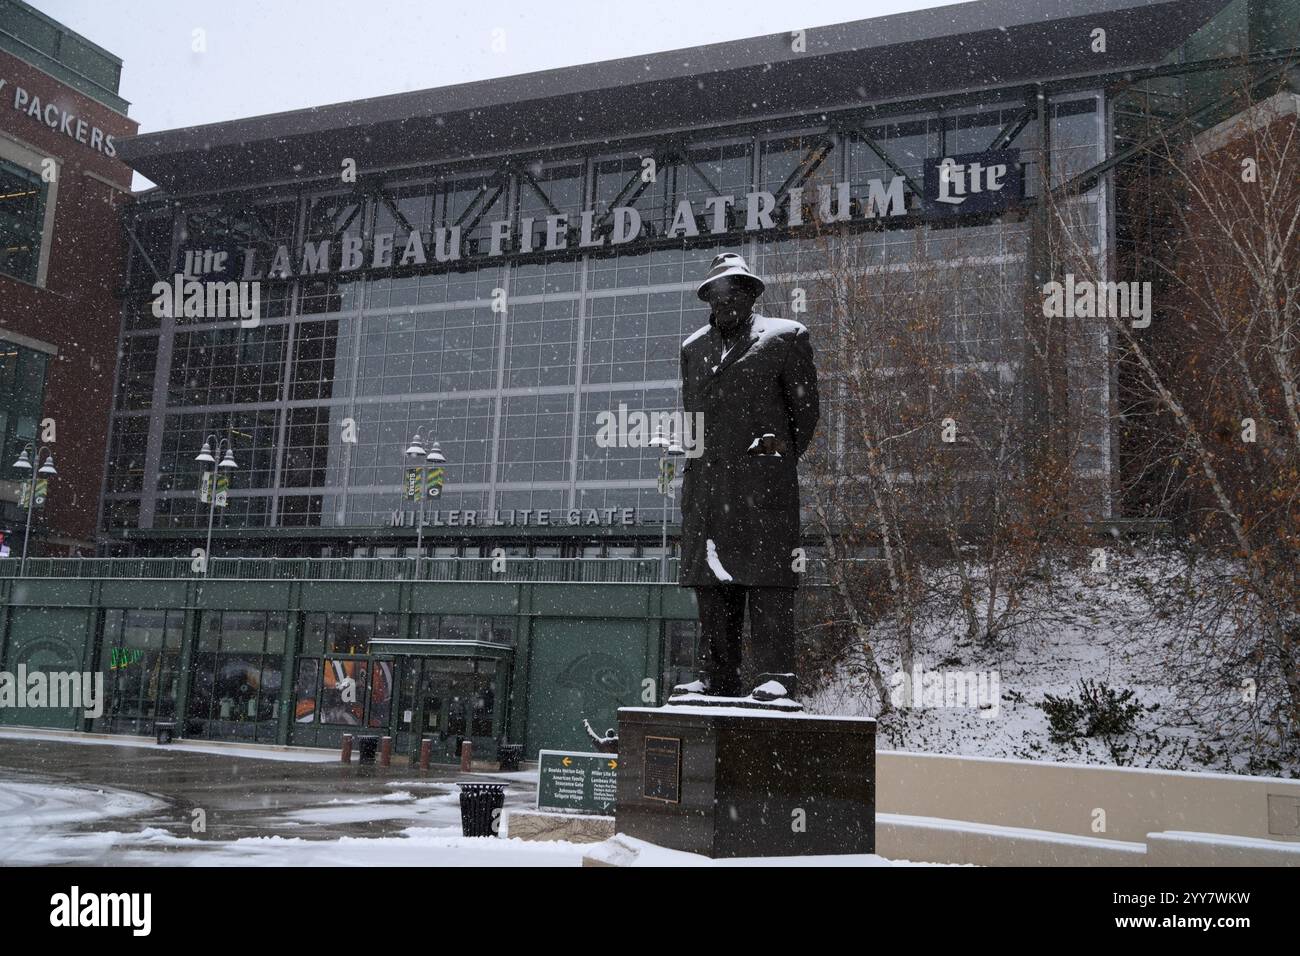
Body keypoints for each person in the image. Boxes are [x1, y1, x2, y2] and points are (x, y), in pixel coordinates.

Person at [676, 252, 820, 699]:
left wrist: (771, 457)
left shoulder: (785, 337)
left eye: (735, 292)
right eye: (717, 294)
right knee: (713, 587)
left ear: (752, 295)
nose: (725, 301)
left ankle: (775, 677)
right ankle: (714, 678)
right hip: (709, 489)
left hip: (763, 491)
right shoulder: (693, 349)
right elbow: (693, 420)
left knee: (768, 582)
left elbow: (805, 415)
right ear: (708, 299)